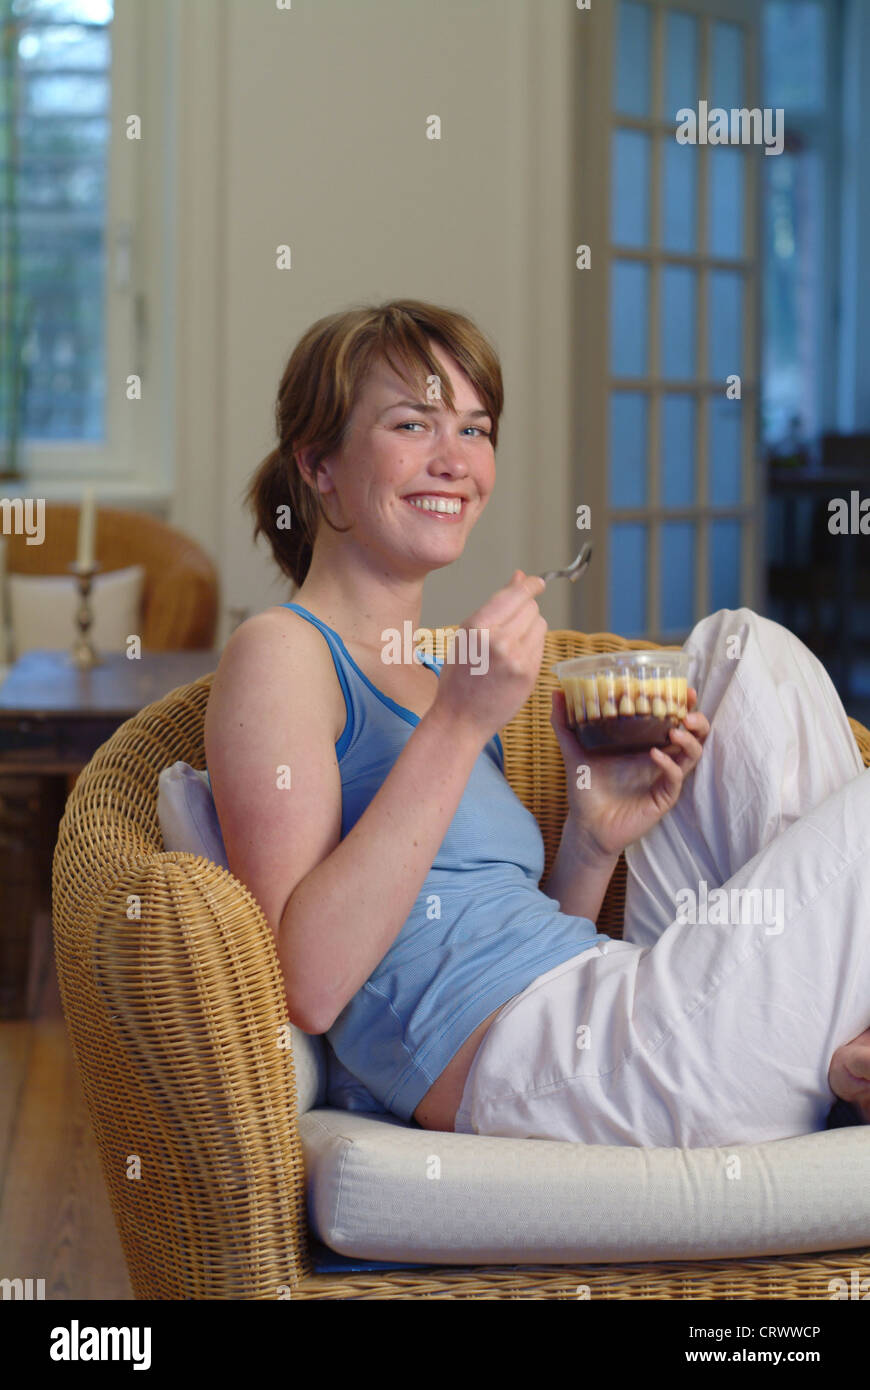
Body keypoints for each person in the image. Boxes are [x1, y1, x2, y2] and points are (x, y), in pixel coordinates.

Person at [204, 298, 870, 1148]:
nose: (455, 461)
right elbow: (308, 985)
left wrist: (593, 840)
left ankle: (837, 1028)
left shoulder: (441, 673)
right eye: (414, 424)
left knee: (744, 650)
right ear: (319, 463)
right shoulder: (281, 654)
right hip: (550, 1065)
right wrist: (457, 723)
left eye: (476, 431)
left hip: (607, 1001)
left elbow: (516, 930)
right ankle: (844, 1042)